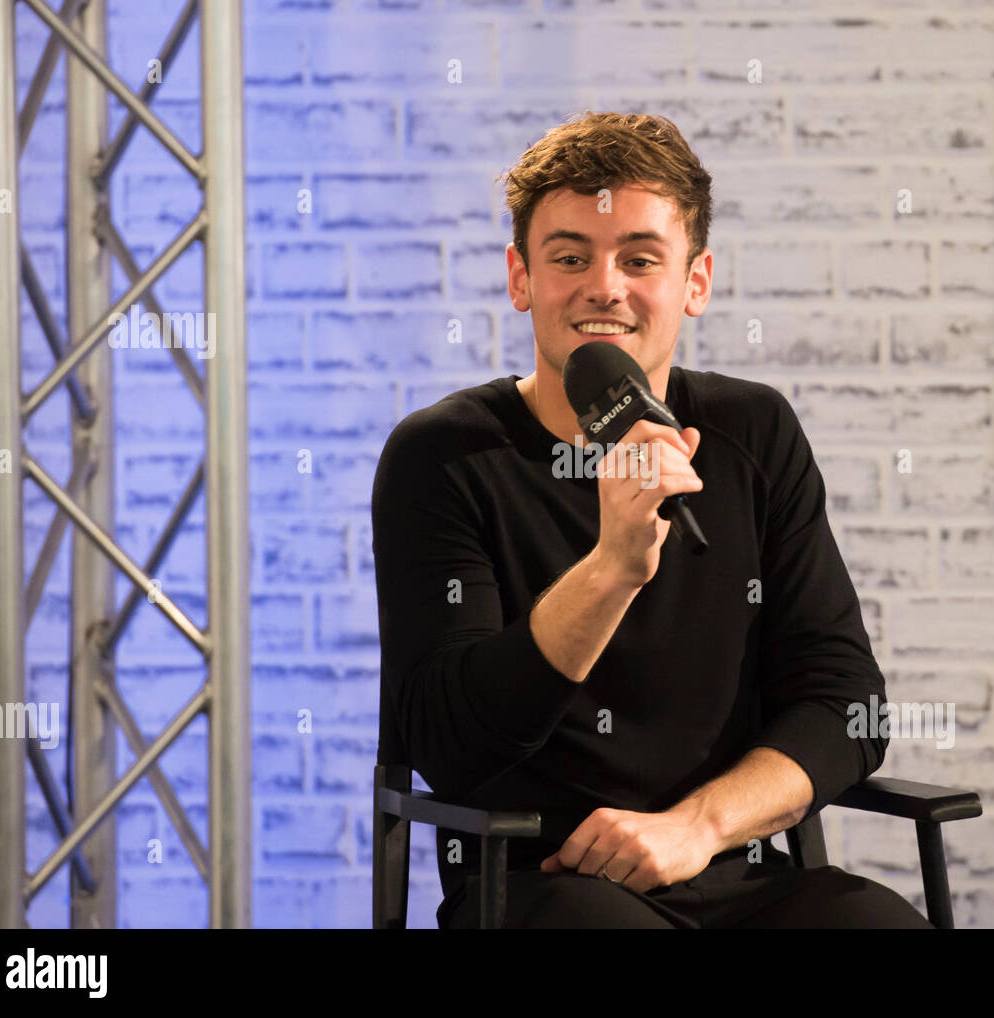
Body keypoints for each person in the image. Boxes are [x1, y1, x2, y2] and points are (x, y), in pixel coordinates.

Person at [371, 111, 934, 929]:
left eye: (640, 258)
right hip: (537, 882)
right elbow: (449, 747)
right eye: (569, 257)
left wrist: (698, 826)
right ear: (521, 278)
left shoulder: (754, 433)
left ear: (695, 283)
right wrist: (611, 569)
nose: (605, 287)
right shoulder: (444, 457)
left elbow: (847, 703)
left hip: (730, 865)